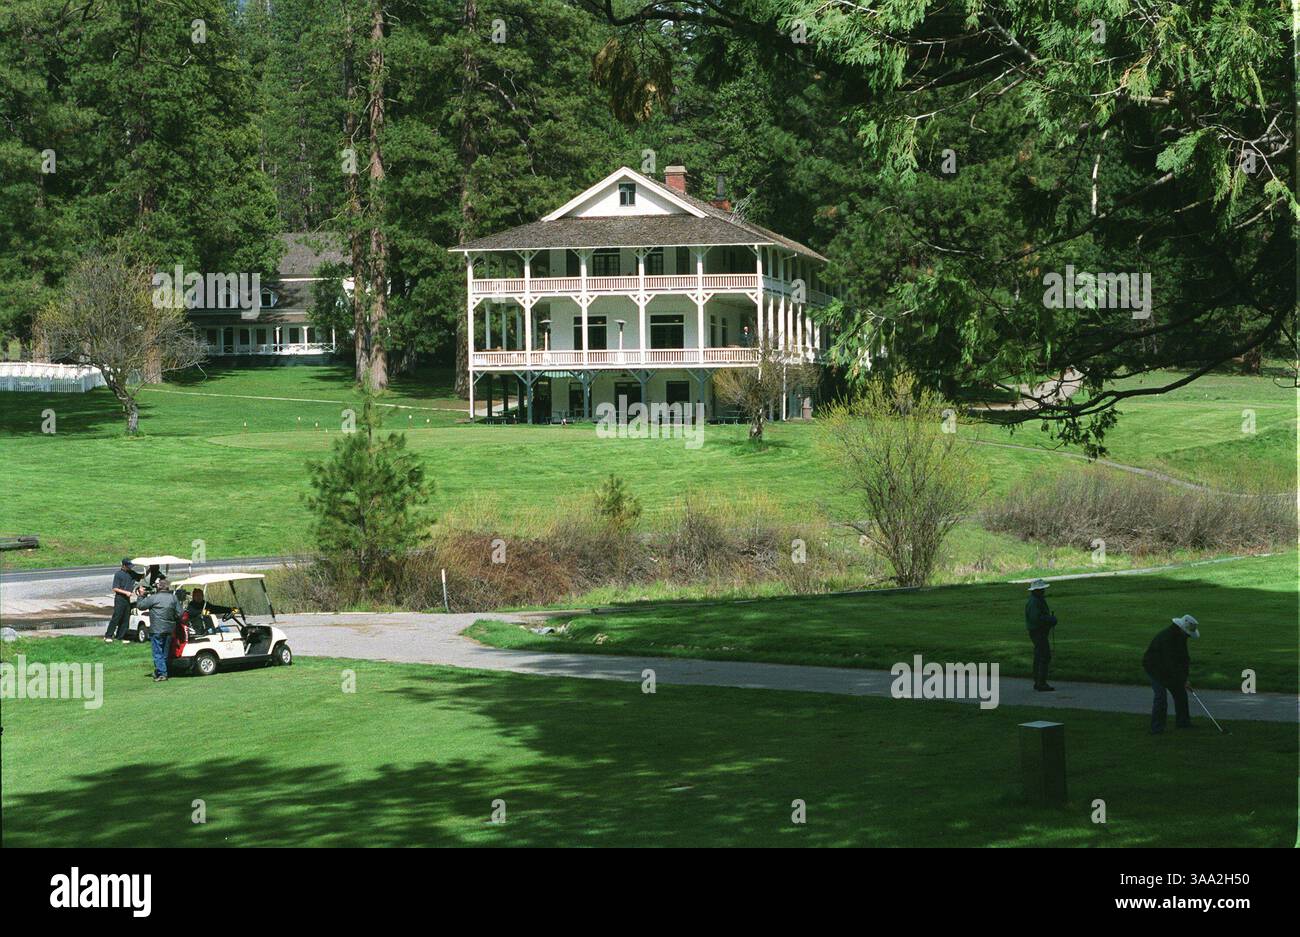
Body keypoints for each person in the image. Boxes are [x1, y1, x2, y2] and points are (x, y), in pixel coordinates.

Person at [1142, 614, 1199, 734]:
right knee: (1161, 697)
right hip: (1154, 668)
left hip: (1167, 668)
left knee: (1180, 694)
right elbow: (1170, 662)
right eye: (1187, 633)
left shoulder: (1180, 637)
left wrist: (1185, 678)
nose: (1188, 636)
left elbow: (1184, 659)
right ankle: (1157, 728)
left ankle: (1183, 722)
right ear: (1181, 628)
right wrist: (1182, 679)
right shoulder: (1166, 638)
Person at [136, 577, 182, 682]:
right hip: (169, 629)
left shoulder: (153, 598)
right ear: (167, 587)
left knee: (157, 653)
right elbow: (180, 613)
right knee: (164, 653)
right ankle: (159, 671)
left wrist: (140, 595)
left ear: (158, 587)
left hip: (156, 629)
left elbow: (140, 606)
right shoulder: (173, 598)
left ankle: (162, 674)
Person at [1024, 579, 1057, 691]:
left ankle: (1038, 682)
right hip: (1038, 632)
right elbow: (1036, 618)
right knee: (1044, 656)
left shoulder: (1037, 600)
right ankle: (1041, 683)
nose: (1043, 591)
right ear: (1036, 590)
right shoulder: (1034, 602)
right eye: (1041, 589)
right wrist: (1049, 620)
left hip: (1038, 631)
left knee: (1039, 655)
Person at [104, 558, 141, 644]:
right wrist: (126, 592)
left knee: (126, 618)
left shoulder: (131, 573)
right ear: (124, 566)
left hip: (127, 599)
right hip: (120, 598)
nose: (130, 568)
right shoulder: (118, 574)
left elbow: (141, 576)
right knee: (117, 617)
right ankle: (108, 636)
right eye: (128, 566)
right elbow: (115, 588)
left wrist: (150, 569)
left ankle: (120, 636)